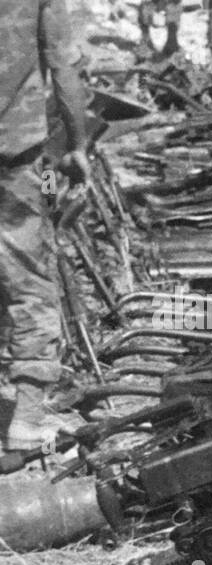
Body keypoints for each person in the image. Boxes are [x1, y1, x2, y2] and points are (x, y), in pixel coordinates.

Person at [0, 0, 90, 452]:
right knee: (27, 277)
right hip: (13, 155)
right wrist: (77, 146)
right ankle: (27, 422)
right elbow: (64, 67)